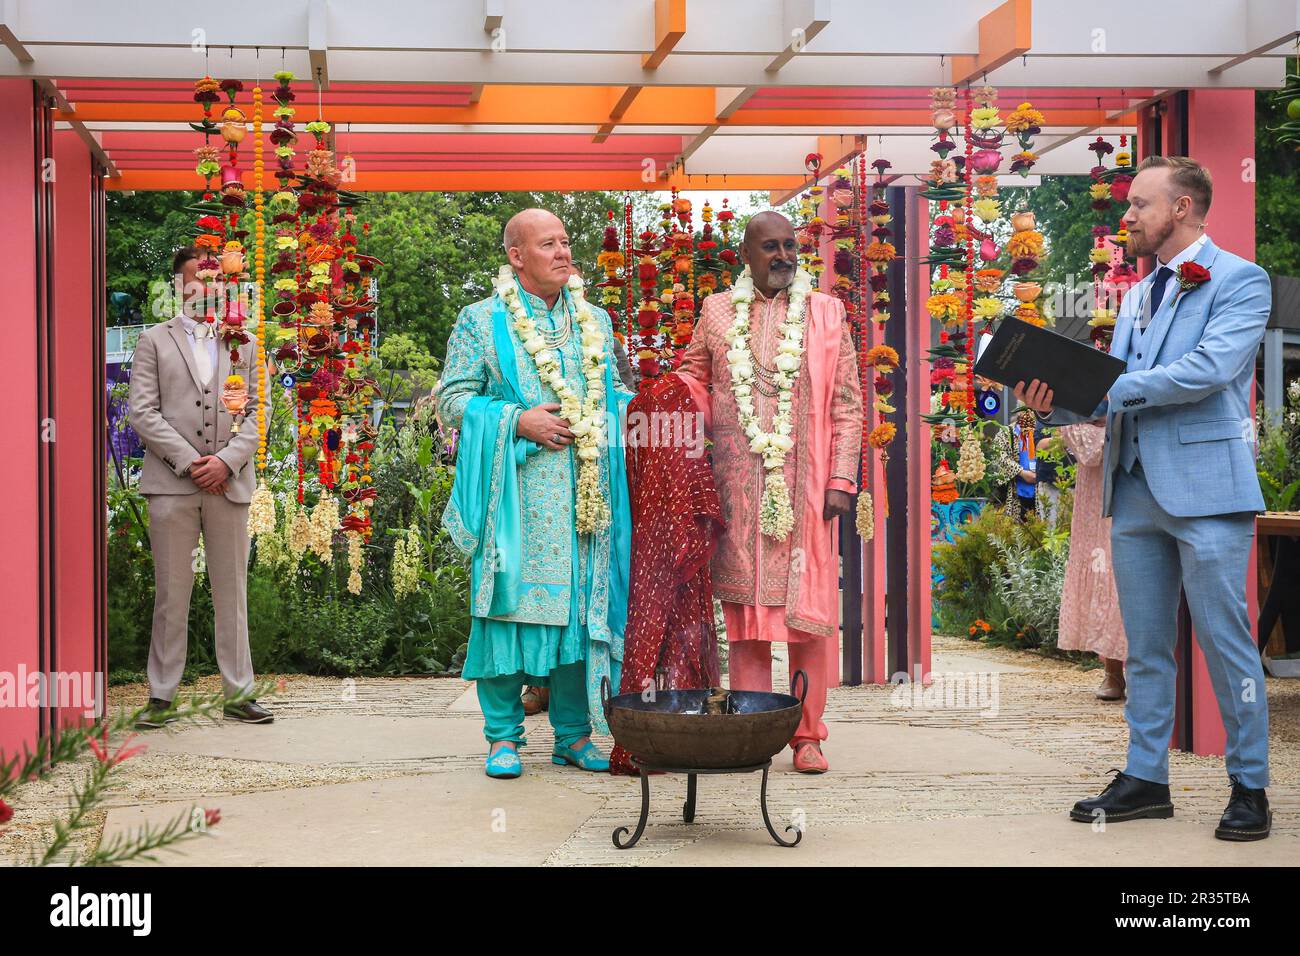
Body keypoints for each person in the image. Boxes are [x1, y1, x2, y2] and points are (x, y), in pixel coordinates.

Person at [1016, 155, 1273, 840]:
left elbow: (1208, 370)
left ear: (1183, 207)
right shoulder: (1135, 295)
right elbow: (1111, 384)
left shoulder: (1241, 281)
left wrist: (1107, 388)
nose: (1126, 216)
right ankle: (1145, 779)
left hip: (1207, 490)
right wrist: (1052, 398)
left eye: (1139, 204)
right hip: (1132, 492)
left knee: (1228, 644)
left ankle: (1250, 786)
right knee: (1145, 647)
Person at [437, 208, 632, 779]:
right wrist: (518, 420)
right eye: (549, 245)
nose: (565, 253)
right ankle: (502, 737)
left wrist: (634, 409)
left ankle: (573, 735)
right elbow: (452, 398)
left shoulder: (595, 320)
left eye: (567, 242)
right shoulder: (480, 319)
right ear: (516, 257)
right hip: (514, 498)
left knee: (577, 614)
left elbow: (618, 392)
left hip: (586, 497)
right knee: (507, 610)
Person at [676, 211, 863, 774]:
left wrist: (841, 480)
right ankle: (754, 729)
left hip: (807, 491)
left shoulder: (827, 313)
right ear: (747, 256)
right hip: (737, 492)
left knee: (808, 618)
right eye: (771, 248)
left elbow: (849, 405)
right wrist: (662, 407)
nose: (783, 256)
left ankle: (808, 735)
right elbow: (693, 381)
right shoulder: (716, 311)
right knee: (746, 619)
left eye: (791, 246)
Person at [128, 246, 271, 727]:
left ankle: (239, 693)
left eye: (213, 279)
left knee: (233, 590)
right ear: (177, 285)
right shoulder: (153, 340)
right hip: (173, 486)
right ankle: (162, 694)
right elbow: (143, 413)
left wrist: (226, 462)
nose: (204, 288)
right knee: (172, 590)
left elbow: (255, 412)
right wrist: (193, 464)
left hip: (228, 484)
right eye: (194, 278)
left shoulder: (245, 342)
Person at [1055, 421, 1128, 700]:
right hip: (1098, 491)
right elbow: (1086, 448)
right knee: (1105, 571)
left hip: (1144, 473)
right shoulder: (1078, 387)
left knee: (1141, 574)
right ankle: (1112, 670)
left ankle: (1144, 670)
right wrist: (1112, 424)